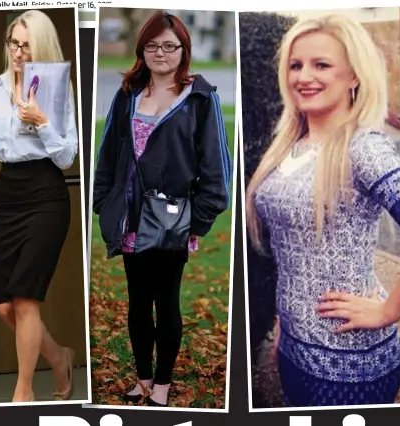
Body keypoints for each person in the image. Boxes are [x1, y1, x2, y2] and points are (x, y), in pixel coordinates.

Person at [245, 14, 400, 407]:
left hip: (351, 363)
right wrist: (286, 323)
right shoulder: (288, 145)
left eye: (321, 64)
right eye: (296, 64)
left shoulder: (363, 148)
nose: (304, 76)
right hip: (293, 347)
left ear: (354, 76)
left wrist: (391, 308)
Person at [92, 11, 233, 407]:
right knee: (137, 301)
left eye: (170, 45)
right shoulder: (128, 93)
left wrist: (197, 222)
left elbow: (215, 169)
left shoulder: (201, 98)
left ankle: (163, 385)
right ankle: (142, 378)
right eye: (153, 45)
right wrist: (104, 202)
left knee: (166, 301)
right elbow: (109, 154)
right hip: (131, 218)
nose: (161, 52)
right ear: (142, 49)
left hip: (174, 221)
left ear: (183, 50)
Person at [0, 9, 78, 403]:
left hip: (47, 194)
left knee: (24, 297)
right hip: (10, 193)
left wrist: (41, 122)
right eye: (13, 43)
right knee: (5, 307)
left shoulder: (57, 90)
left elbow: (67, 156)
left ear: (41, 48)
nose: (18, 52)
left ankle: (23, 393)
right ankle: (60, 357)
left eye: (27, 45)